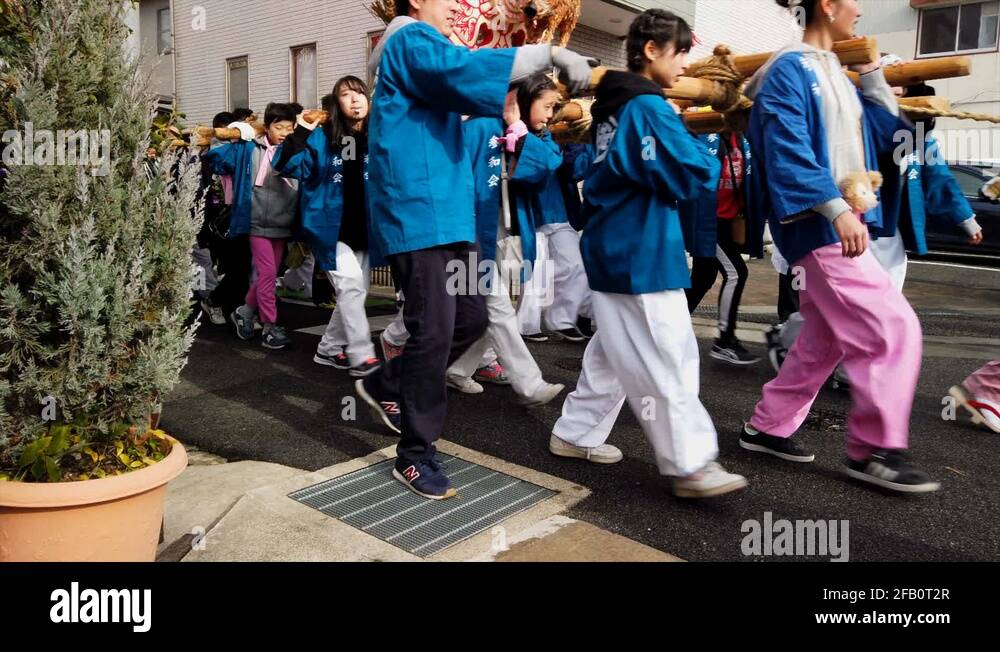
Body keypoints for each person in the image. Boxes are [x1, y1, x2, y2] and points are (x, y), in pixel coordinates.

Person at [354, 0, 595, 500]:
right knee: (436, 330)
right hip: (418, 212)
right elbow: (463, 72)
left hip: (452, 212)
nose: (459, 8)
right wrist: (544, 51)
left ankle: (384, 383)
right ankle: (415, 454)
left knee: (472, 318)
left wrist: (528, 80)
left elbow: (472, 87)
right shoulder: (406, 38)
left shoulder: (428, 52)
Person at [741, 0, 938, 493]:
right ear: (826, 5)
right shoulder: (786, 69)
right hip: (820, 228)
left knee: (823, 339)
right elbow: (785, 149)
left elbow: (892, 141)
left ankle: (767, 425)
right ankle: (873, 450)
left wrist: (873, 78)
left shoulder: (836, 74)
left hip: (842, 224)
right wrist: (836, 208)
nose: (862, 11)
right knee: (894, 327)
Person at [550, 9, 747, 499]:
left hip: (613, 242)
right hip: (641, 247)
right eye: (681, 52)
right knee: (667, 354)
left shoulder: (614, 106)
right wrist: (706, 139)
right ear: (653, 50)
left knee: (615, 350)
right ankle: (691, 464)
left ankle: (574, 433)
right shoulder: (649, 106)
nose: (685, 65)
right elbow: (689, 176)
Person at [274, 76, 383, 377]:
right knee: (349, 287)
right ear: (337, 104)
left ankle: (328, 348)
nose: (355, 99)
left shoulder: (377, 136)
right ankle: (362, 354)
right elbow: (285, 165)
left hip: (364, 228)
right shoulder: (322, 137)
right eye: (346, 95)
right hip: (330, 227)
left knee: (355, 293)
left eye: (360, 93)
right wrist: (301, 131)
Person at [203, 102, 301, 350]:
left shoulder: (295, 150)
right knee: (267, 274)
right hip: (255, 222)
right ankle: (270, 325)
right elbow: (218, 161)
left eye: (289, 128)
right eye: (278, 127)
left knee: (267, 277)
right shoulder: (250, 147)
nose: (284, 132)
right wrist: (225, 137)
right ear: (266, 127)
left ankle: (244, 312)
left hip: (283, 223)